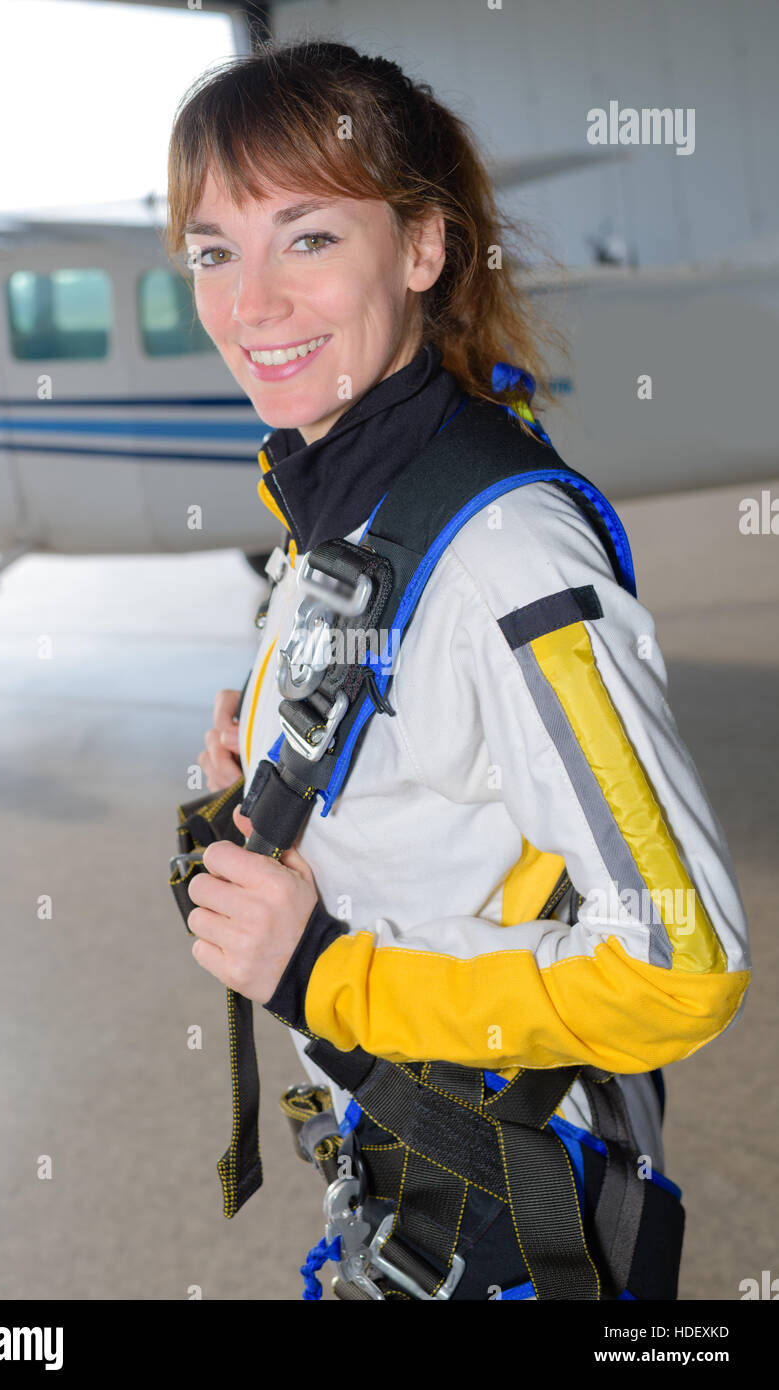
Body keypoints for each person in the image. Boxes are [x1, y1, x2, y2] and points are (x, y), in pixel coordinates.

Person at [167, 39, 751, 1300]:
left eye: (308, 238)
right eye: (214, 252)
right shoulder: (347, 500)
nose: (249, 303)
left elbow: (682, 961)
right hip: (406, 1173)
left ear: (423, 248)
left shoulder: (502, 556)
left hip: (501, 1212)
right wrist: (281, 798)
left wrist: (321, 972)